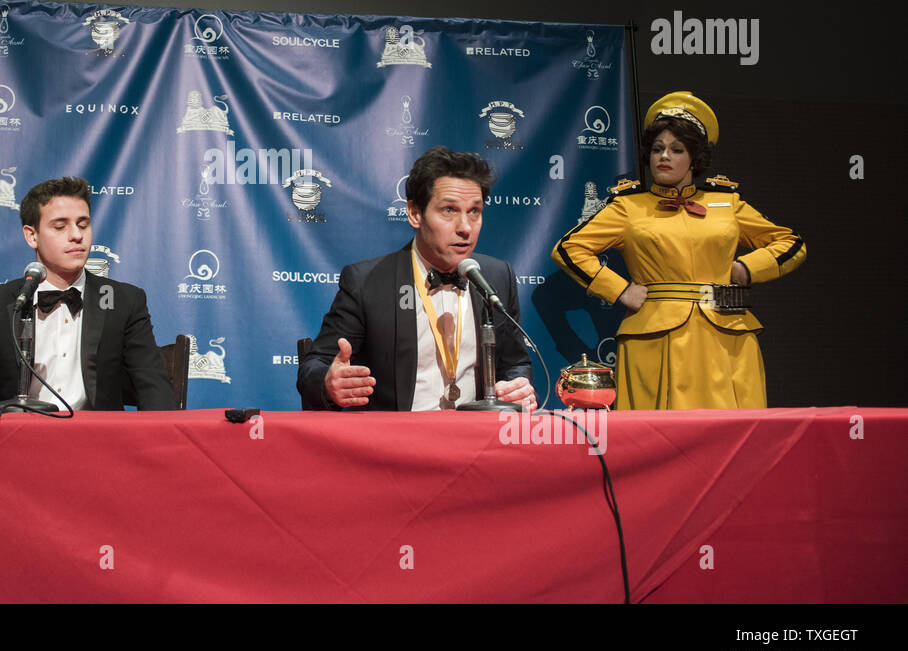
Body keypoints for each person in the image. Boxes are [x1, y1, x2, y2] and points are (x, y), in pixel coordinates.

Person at [552, 91, 806, 409]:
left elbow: (791, 243)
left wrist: (746, 268)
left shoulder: (726, 204)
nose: (664, 156)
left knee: (733, 435)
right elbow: (568, 249)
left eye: (676, 149)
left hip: (726, 339)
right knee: (658, 439)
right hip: (654, 340)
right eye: (657, 149)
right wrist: (619, 290)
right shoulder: (628, 206)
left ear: (694, 158)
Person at [297, 146, 536, 411]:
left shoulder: (496, 277)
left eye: (474, 211)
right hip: (394, 444)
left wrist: (517, 385)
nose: (465, 227)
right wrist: (328, 382)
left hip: (477, 441)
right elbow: (314, 365)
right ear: (414, 214)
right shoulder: (367, 282)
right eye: (449, 210)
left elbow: (515, 363)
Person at [0, 176, 175, 411]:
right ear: (31, 236)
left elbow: (155, 391)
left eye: (83, 224)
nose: (76, 235)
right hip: (21, 442)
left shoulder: (125, 301)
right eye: (60, 226)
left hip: (99, 443)